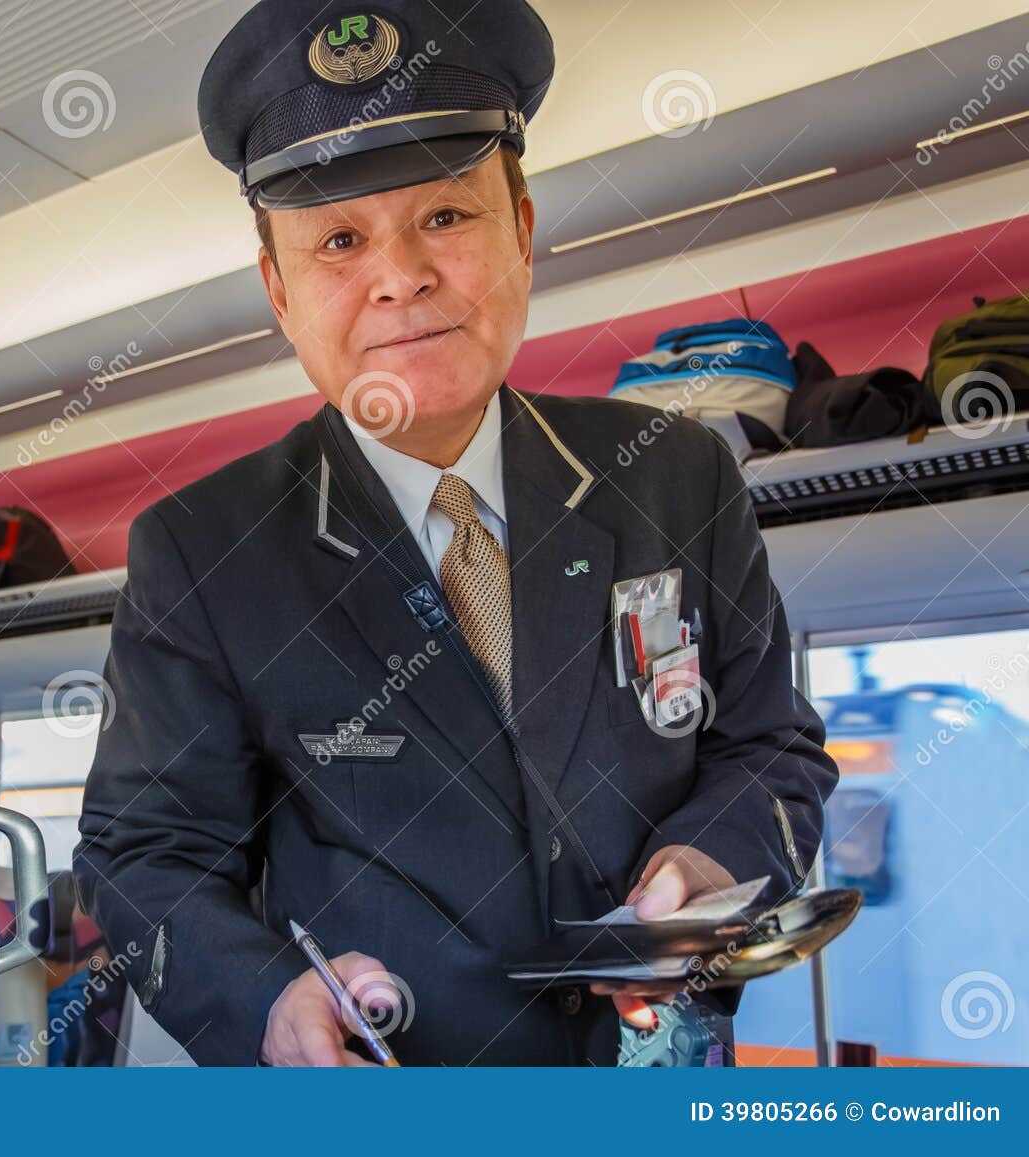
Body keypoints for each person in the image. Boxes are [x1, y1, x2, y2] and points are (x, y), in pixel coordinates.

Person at [74, 0, 837, 1066]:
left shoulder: (675, 472)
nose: (401, 277)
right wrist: (268, 1001)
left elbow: (772, 749)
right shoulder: (205, 548)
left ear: (520, 230)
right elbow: (145, 853)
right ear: (279, 290)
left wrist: (705, 865)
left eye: (444, 215)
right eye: (340, 240)